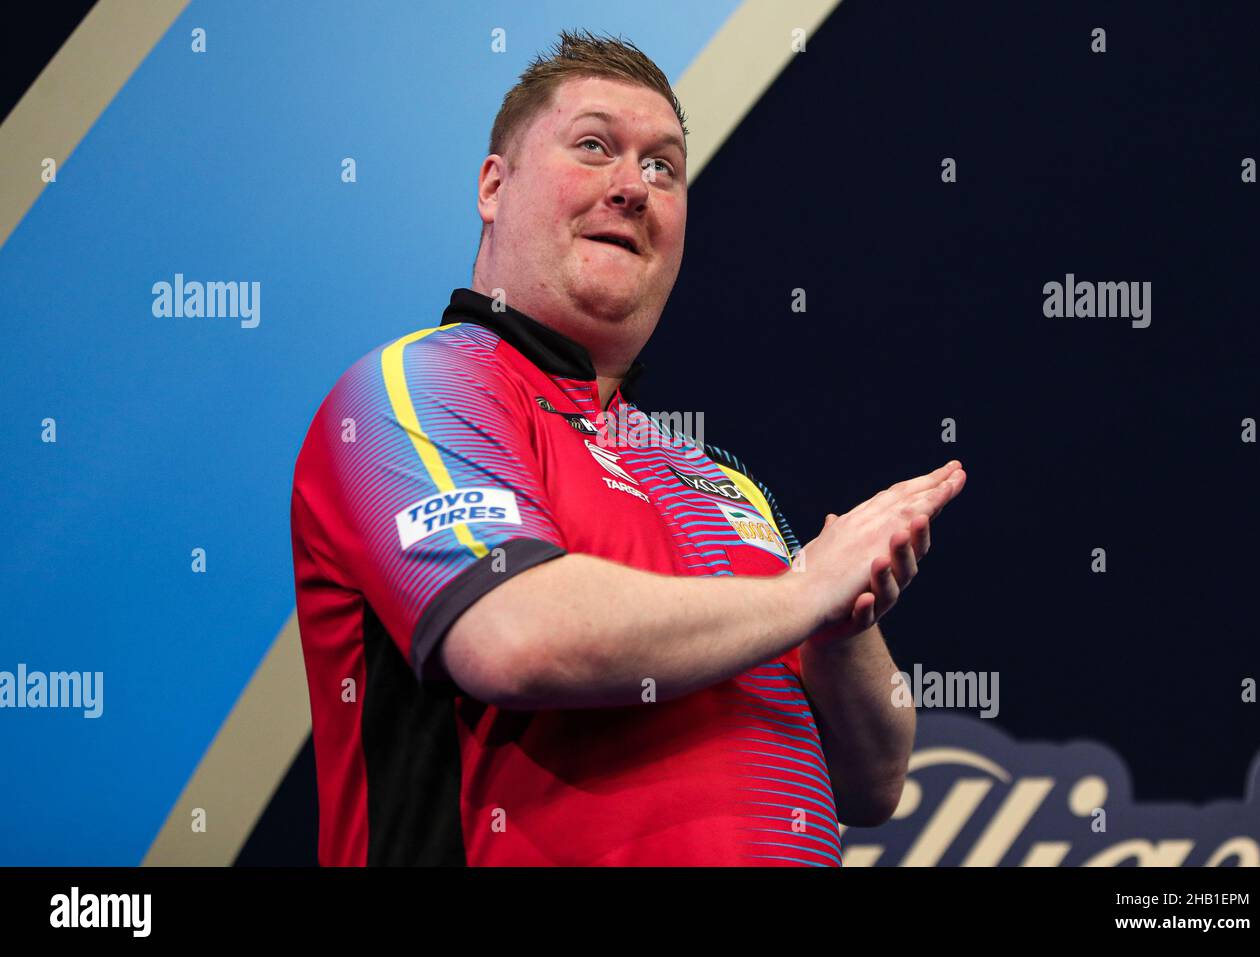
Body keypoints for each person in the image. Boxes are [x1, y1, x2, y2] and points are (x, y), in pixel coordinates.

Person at [290, 29, 966, 866]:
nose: (633, 188)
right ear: (494, 187)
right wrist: (810, 588)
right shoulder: (419, 388)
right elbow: (512, 634)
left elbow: (877, 776)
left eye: (663, 168)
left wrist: (838, 626)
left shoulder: (724, 483)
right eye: (594, 147)